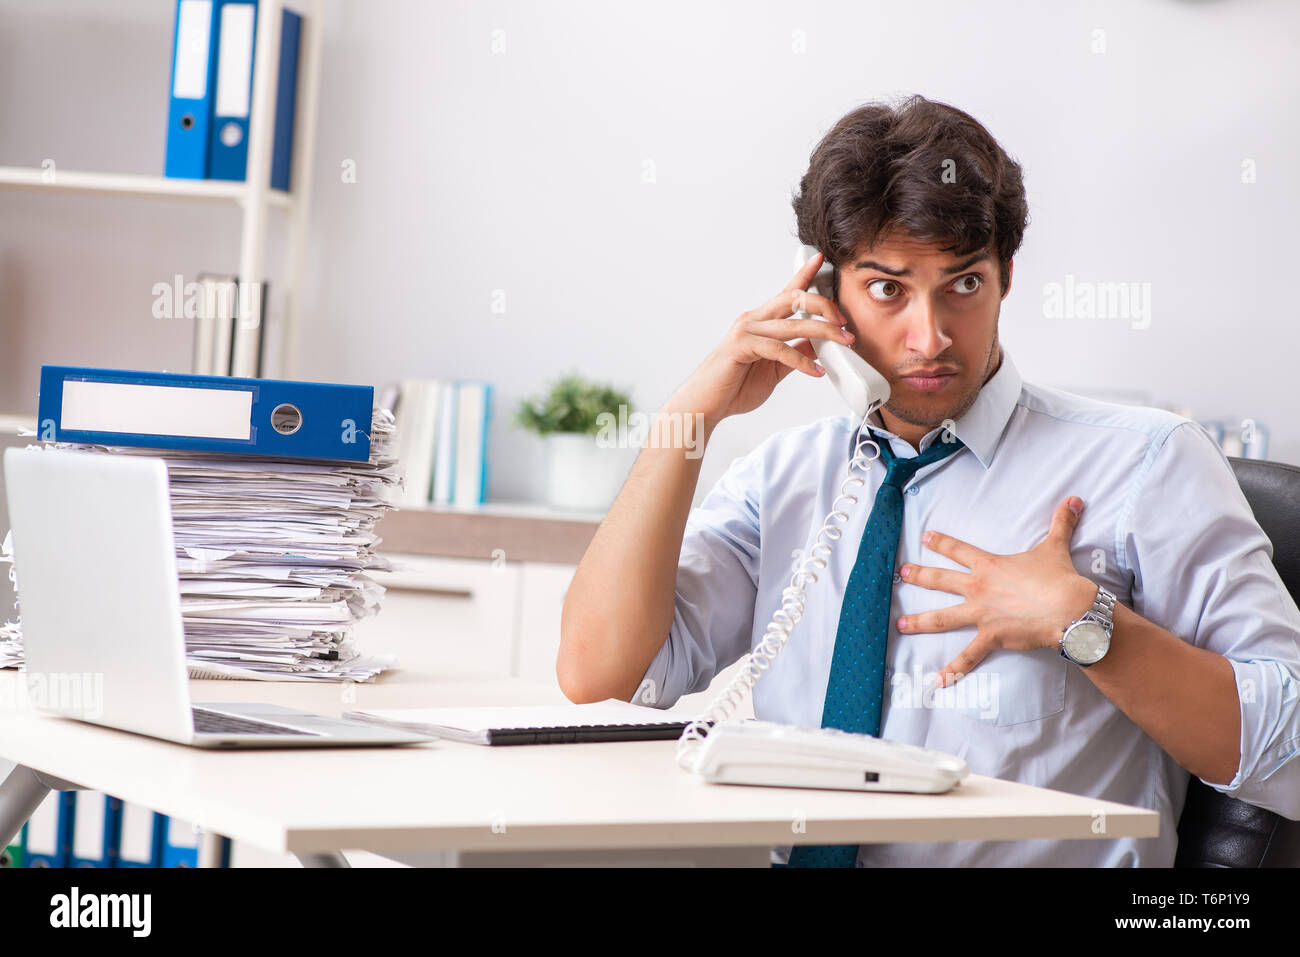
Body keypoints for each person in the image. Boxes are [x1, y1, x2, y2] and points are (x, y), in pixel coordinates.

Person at [556, 94, 1300, 866]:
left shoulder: (1148, 462)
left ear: (1005, 277)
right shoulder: (784, 478)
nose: (931, 335)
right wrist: (691, 414)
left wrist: (1087, 623)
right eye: (888, 288)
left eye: (963, 284)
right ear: (823, 295)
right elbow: (598, 673)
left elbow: (1293, 750)